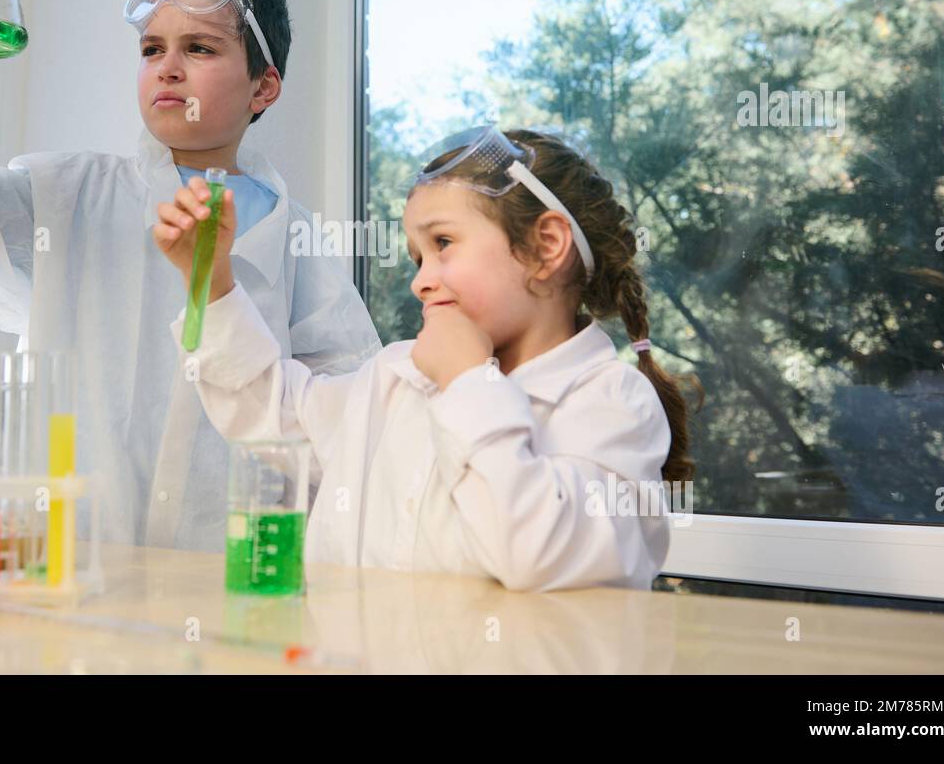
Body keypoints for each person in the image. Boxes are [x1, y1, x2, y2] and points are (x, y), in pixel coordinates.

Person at [0, 0, 380, 548]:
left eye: (199, 49)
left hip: (230, 591)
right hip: (66, 583)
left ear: (264, 86)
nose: (168, 68)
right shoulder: (65, 197)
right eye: (151, 50)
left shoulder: (299, 246)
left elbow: (341, 429)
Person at [154, 126, 701, 591]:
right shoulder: (395, 375)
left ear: (547, 247)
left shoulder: (612, 404)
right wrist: (210, 276)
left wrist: (468, 382)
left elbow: (536, 552)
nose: (420, 281)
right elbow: (269, 410)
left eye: (443, 242)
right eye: (417, 255)